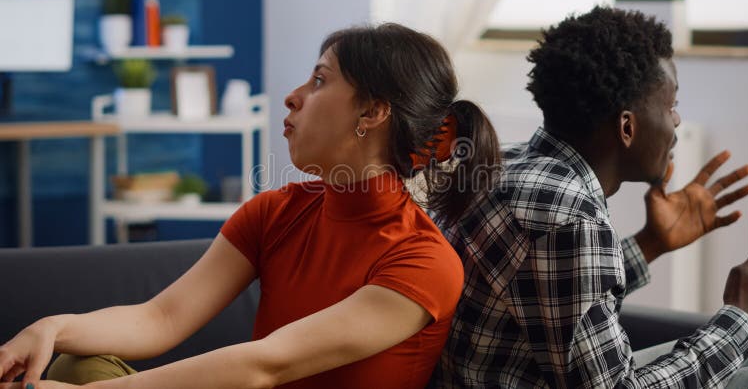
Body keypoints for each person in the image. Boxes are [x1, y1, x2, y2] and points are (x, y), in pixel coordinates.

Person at [0, 23, 501, 389]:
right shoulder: (274, 212)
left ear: (372, 112)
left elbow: (268, 364)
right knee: (72, 361)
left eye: (320, 81)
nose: (292, 96)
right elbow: (160, 319)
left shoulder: (425, 262)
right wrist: (53, 328)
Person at [430, 7, 748, 388]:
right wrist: (743, 317)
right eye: (671, 105)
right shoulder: (569, 216)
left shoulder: (509, 160)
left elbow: (551, 290)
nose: (676, 122)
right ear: (627, 127)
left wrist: (651, 243)